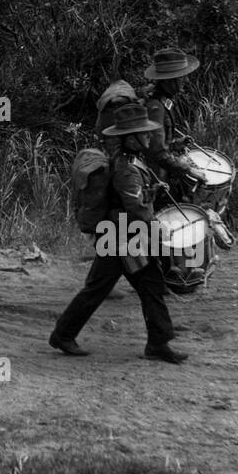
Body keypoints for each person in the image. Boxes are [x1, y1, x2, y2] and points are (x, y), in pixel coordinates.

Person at [48, 102, 187, 364]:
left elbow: (132, 198)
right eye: (143, 133)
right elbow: (134, 205)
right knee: (121, 286)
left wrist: (152, 191)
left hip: (121, 234)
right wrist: (157, 232)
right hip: (122, 237)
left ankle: (157, 342)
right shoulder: (126, 167)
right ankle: (64, 334)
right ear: (130, 138)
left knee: (139, 285)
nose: (148, 136)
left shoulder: (130, 161)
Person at [141, 47, 201, 198]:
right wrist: (188, 169)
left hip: (162, 170)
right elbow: (157, 153)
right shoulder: (155, 107)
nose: (185, 80)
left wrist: (176, 143)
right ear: (169, 80)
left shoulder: (164, 100)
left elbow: (160, 143)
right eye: (181, 77)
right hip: (155, 178)